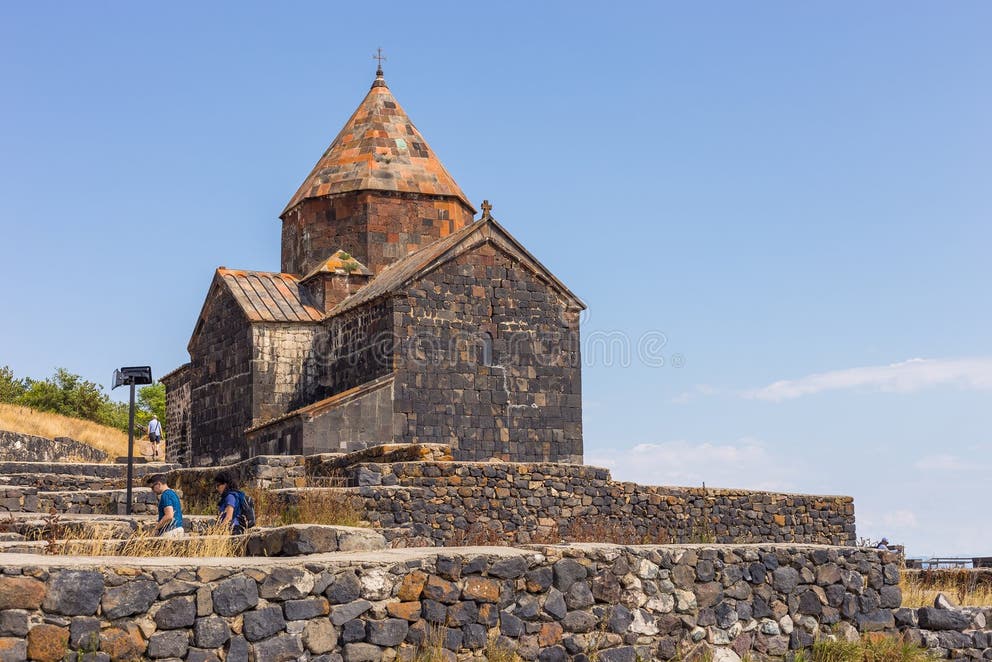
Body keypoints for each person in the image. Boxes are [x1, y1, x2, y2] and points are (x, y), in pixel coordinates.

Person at [146, 474, 185, 538]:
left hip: (170, 531)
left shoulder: (165, 495)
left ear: (158, 484)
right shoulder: (173, 493)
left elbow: (169, 516)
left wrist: (156, 527)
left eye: (152, 487)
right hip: (178, 529)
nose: (152, 490)